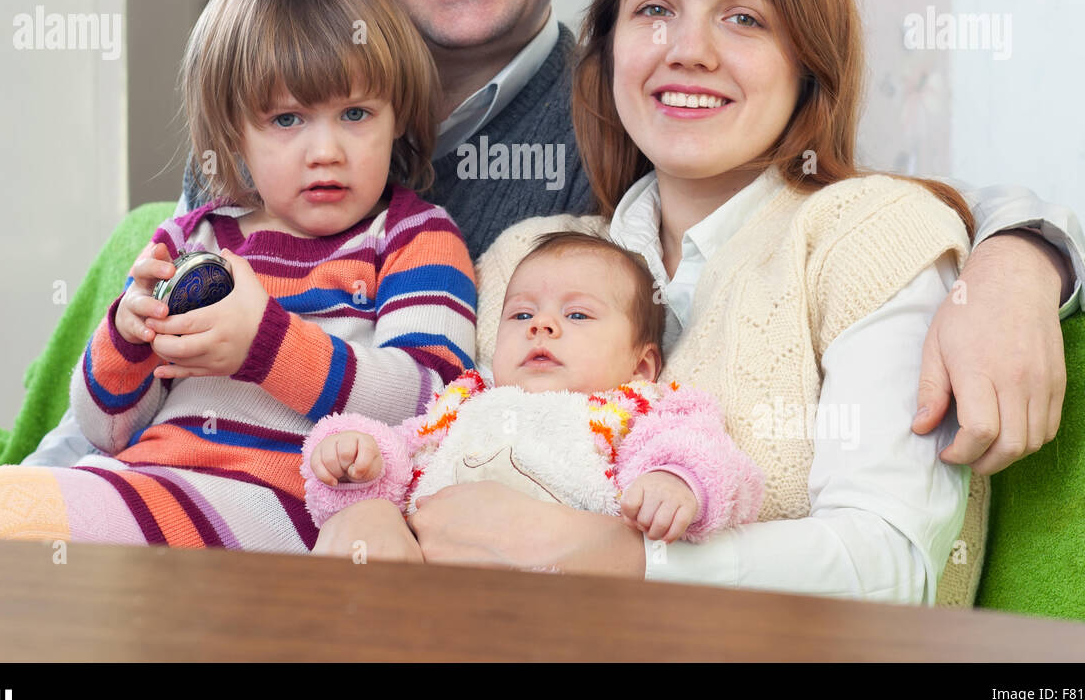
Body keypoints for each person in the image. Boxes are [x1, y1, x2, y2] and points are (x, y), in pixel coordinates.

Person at [35, 0, 1085, 489]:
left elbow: (863, 196)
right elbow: (132, 398)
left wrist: (1014, 260)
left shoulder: (640, 103)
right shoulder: (265, 116)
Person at [317, 0, 989, 605]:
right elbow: (440, 448)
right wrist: (373, 513)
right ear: (606, 48)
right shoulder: (526, 255)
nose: (688, 50)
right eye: (655, 9)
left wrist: (626, 559)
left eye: (745, 19)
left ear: (808, 61)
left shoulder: (866, 233)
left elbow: (894, 567)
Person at [0, 0, 476, 550]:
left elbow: (435, 406)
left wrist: (268, 344)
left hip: (280, 503)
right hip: (149, 481)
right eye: (287, 120)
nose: (325, 151)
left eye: (356, 113)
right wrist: (125, 342)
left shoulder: (413, 237)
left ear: (397, 119)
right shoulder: (193, 239)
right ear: (235, 132)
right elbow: (105, 430)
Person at [300, 231, 766, 548]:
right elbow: (400, 457)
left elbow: (713, 459)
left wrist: (677, 481)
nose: (541, 325)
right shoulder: (464, 403)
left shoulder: (637, 408)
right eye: (522, 315)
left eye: (577, 315)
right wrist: (355, 457)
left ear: (641, 365)